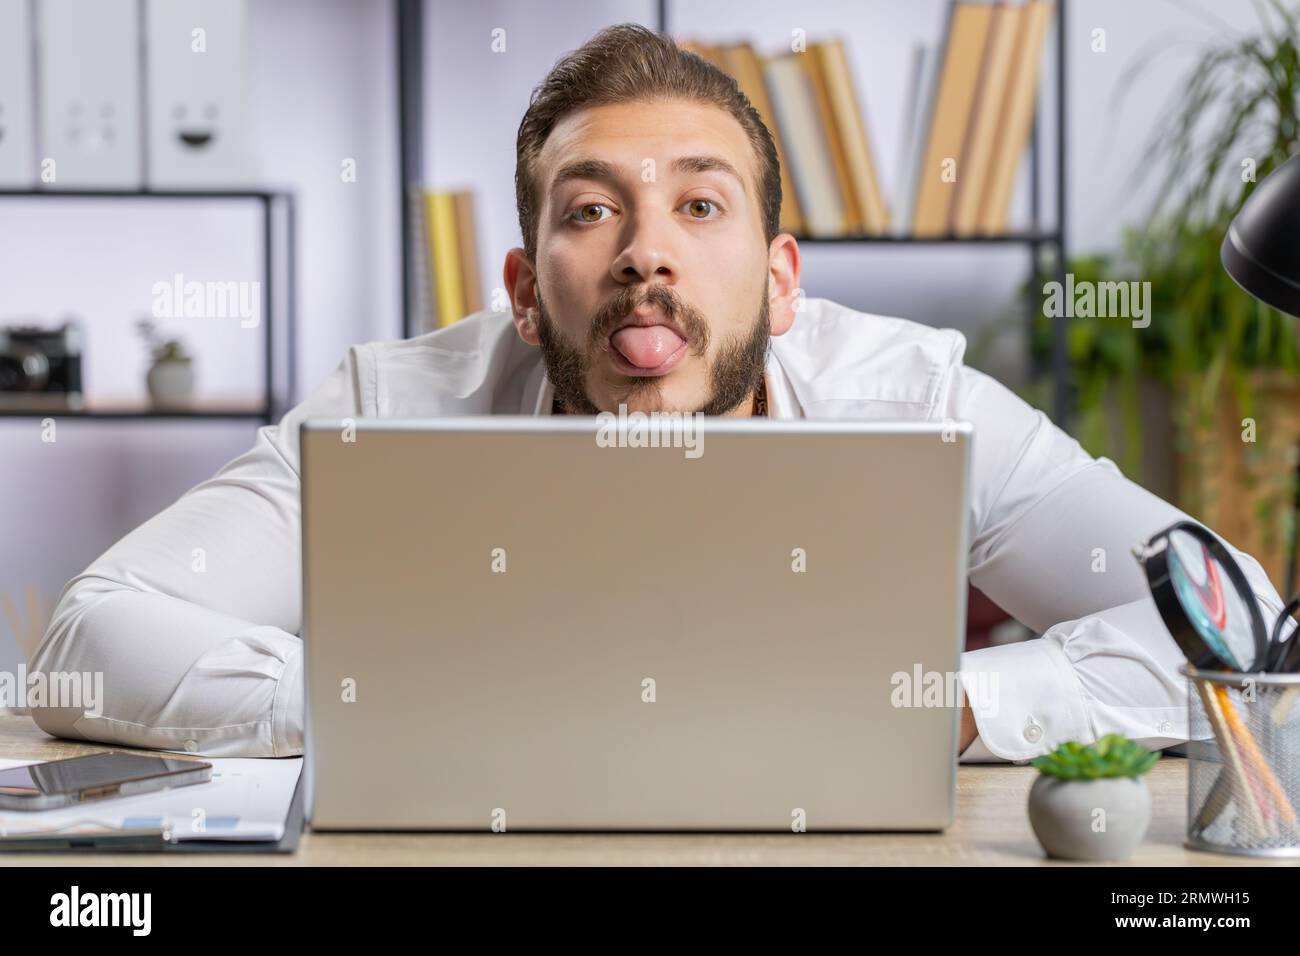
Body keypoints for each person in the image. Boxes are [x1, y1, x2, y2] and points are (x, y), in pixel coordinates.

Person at [29, 23, 1284, 761]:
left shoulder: (913, 397)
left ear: (780, 282)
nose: (646, 251)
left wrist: (923, 706)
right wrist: (410, 700)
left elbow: (1237, 626)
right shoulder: (394, 400)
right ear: (524, 290)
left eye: (698, 204)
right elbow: (94, 634)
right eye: (592, 211)